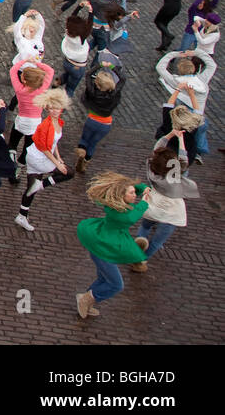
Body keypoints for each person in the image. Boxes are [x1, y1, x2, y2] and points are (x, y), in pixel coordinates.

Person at [74, 173, 149, 319]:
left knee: (104, 279)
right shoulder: (121, 215)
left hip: (105, 243)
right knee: (116, 284)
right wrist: (145, 201)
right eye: (131, 193)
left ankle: (86, 300)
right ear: (122, 195)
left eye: (134, 192)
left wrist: (144, 189)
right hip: (104, 248)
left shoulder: (118, 203)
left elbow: (137, 188)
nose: (135, 195)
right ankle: (86, 299)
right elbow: (131, 217)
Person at [131, 132, 199, 273]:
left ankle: (141, 240)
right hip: (171, 210)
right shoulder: (176, 175)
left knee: (145, 226)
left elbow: (157, 149)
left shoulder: (151, 169)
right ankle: (141, 260)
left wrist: (169, 135)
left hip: (152, 203)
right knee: (157, 241)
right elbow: (184, 157)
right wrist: (180, 138)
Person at [15, 89, 72, 231]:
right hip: (38, 158)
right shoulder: (46, 125)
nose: (54, 110)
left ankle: (22, 216)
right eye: (51, 107)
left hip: (40, 157)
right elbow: (45, 148)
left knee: (30, 190)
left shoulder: (59, 122)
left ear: (62, 109)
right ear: (47, 108)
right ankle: (41, 185)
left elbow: (54, 143)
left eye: (57, 108)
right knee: (68, 173)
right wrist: (57, 164)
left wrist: (59, 157)